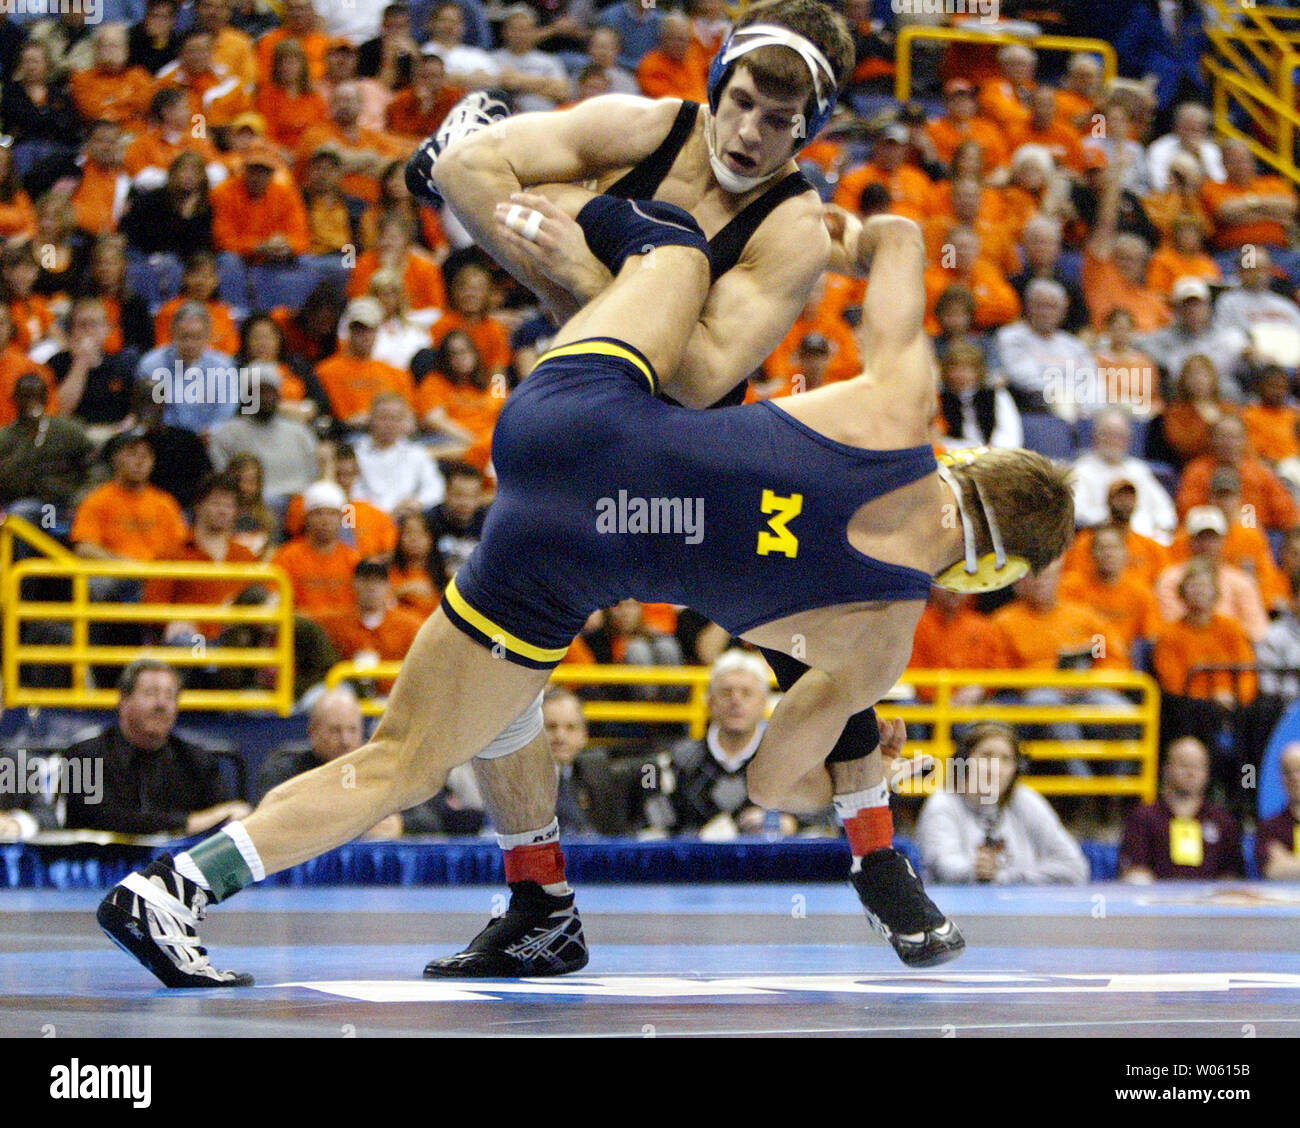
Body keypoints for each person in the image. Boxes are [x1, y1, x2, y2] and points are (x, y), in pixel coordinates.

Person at [97, 190, 1075, 989]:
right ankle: (177, 889)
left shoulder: (901, 403)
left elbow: (902, 235)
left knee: (674, 256)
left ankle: (488, 176)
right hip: (562, 551)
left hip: (565, 423)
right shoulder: (880, 638)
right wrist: (855, 769)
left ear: (971, 458)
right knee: (400, 763)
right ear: (990, 573)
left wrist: (836, 235)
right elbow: (770, 785)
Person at [64, 659, 252, 834]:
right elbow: (100, 820)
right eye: (151, 693)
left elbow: (229, 816)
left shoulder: (197, 761)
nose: (161, 704)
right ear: (124, 700)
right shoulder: (83, 756)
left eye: (170, 696)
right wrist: (189, 823)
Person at [645, 648, 801, 837]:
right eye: (726, 693)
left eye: (747, 693)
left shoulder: (787, 761)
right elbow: (656, 826)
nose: (736, 701)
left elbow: (821, 818)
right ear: (710, 702)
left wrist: (789, 823)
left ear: (764, 703)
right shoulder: (675, 760)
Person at [915, 722, 1089, 885]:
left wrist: (1005, 877)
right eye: (986, 756)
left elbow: (1075, 868)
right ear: (964, 760)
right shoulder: (943, 804)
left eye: (1005, 759)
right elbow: (944, 867)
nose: (995, 768)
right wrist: (975, 871)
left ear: (1017, 769)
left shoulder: (1025, 800)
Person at [1119, 735, 1244, 882]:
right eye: (1184, 765)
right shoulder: (1143, 817)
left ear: (1207, 773)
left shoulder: (1223, 821)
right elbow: (1134, 869)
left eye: (1197, 767)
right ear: (1166, 769)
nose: (1190, 773)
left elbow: (1232, 875)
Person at [208, 363, 318, 508]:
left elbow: (314, 473)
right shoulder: (228, 432)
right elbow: (222, 476)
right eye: (258, 392)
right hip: (248, 505)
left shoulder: (299, 432)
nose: (265, 398)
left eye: (269, 392)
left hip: (296, 504)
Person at [1255, 743, 1300, 879]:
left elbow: (1284, 869)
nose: (1294, 778)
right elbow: (1273, 871)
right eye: (1288, 772)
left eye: (1299, 770)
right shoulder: (1269, 829)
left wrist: (1288, 861)